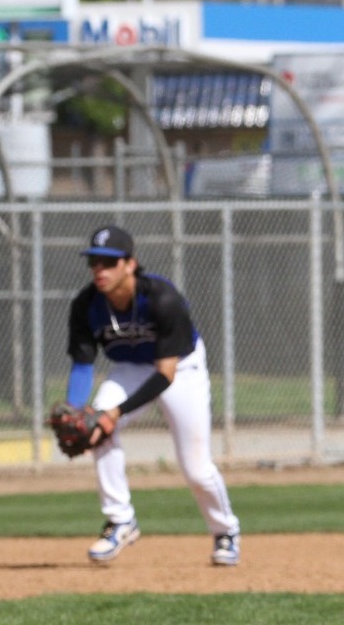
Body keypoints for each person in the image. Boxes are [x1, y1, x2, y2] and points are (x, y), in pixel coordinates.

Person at [64, 224, 242, 567]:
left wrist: (113, 413)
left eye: (108, 262)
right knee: (93, 427)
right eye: (94, 263)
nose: (99, 270)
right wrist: (76, 410)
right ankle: (120, 520)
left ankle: (225, 531)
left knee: (196, 468)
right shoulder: (86, 305)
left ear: (130, 264)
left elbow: (165, 374)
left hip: (180, 369)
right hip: (129, 369)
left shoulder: (162, 298)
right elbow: (83, 365)